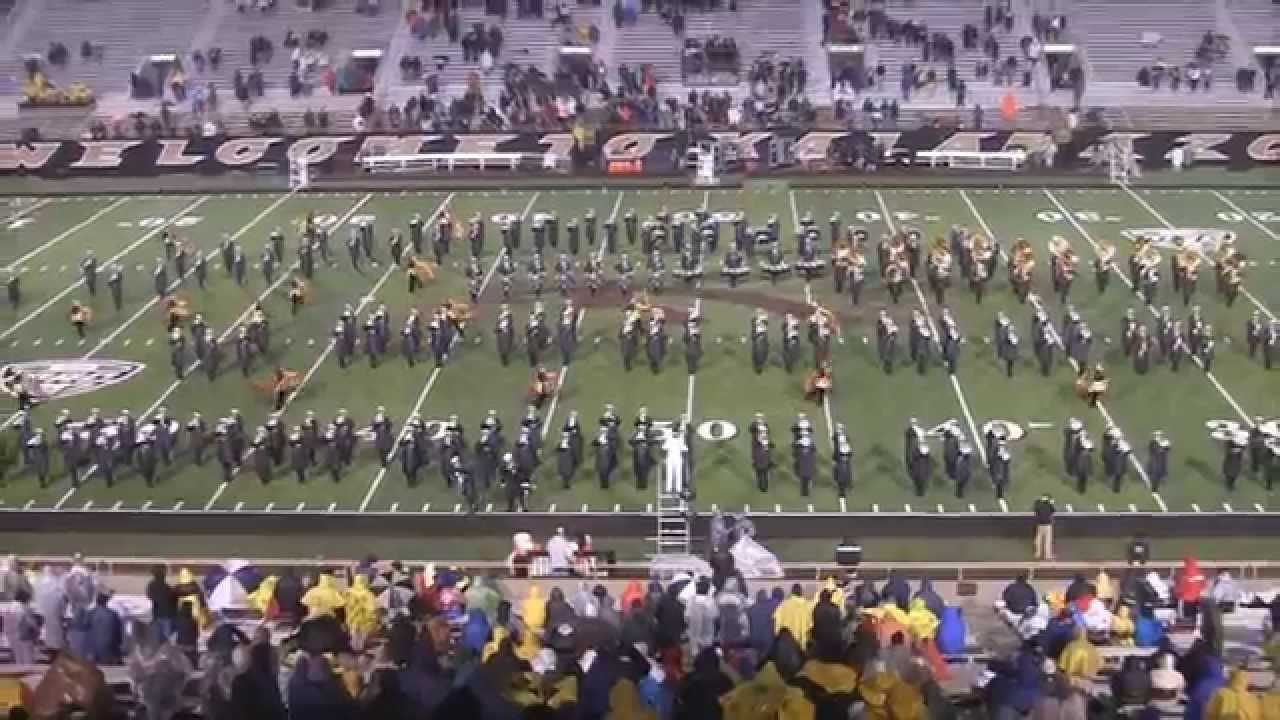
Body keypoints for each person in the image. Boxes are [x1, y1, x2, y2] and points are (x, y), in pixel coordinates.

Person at [147, 564, 178, 640]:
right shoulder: (166, 587)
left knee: (159, 638)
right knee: (165, 638)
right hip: (166, 615)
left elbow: (151, 596)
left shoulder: (152, 585)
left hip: (159, 615)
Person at [1033, 494, 1055, 560]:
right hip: (1047, 525)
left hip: (1040, 525)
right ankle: (1047, 555)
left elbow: (1036, 510)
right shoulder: (1049, 505)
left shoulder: (1038, 505)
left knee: (1038, 539)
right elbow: (1053, 511)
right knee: (1048, 540)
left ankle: (1037, 554)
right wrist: (1051, 503)